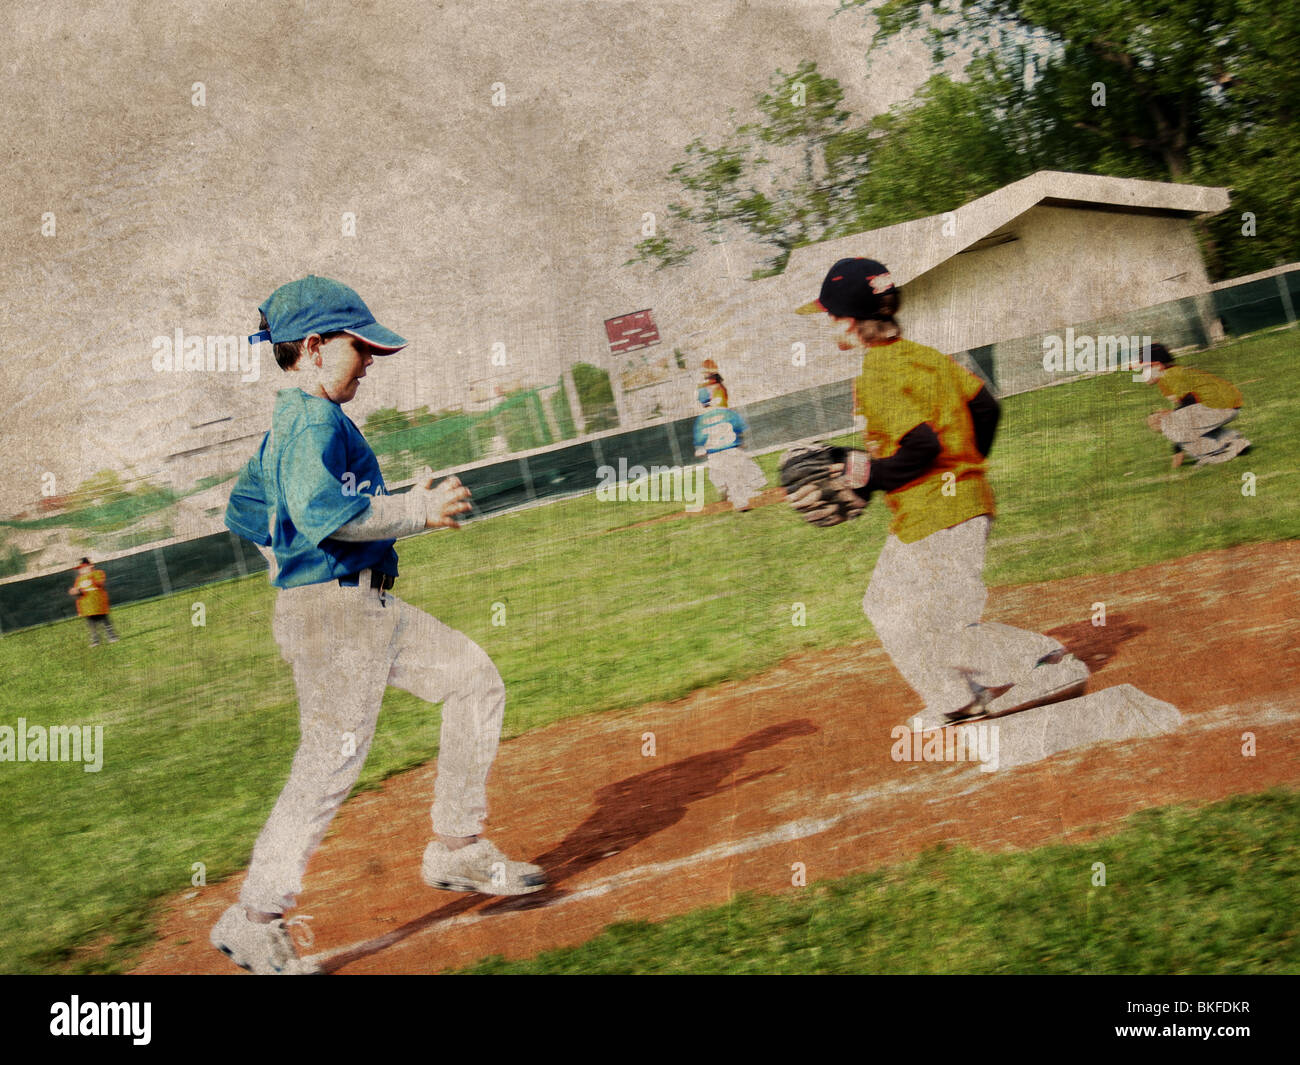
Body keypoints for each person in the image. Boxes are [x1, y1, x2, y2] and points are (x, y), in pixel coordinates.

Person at [214, 275, 544, 975]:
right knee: (328, 766)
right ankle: (253, 917)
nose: (368, 360)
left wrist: (290, 564)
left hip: (355, 606)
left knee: (473, 680)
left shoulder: (299, 422)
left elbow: (244, 511)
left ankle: (455, 848)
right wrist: (414, 513)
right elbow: (326, 515)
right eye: (357, 346)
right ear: (311, 346)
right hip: (335, 614)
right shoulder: (308, 417)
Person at [793, 257, 1089, 733]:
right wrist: (964, 471)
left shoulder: (878, 372)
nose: (828, 322)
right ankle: (957, 702)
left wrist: (866, 478)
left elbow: (922, 447)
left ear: (849, 319)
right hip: (950, 505)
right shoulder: (924, 355)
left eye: (831, 313)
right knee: (886, 607)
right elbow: (986, 409)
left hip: (936, 511)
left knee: (935, 626)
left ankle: (1044, 663)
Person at [1142, 342, 1250, 468]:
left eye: (1146, 367)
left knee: (1169, 423)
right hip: (1224, 407)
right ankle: (1232, 440)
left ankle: (1214, 453)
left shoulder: (1170, 375)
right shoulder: (1169, 375)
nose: (1143, 372)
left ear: (1158, 365)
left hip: (1222, 408)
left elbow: (1190, 403)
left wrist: (1177, 448)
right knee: (1181, 422)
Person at [693, 367, 767, 512]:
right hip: (731, 448)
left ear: (700, 402)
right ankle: (741, 499)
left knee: (722, 477)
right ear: (711, 398)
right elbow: (739, 427)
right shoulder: (726, 412)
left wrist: (700, 449)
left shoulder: (701, 420)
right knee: (741, 472)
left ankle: (735, 497)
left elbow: (700, 440)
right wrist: (741, 441)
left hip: (714, 453)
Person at [68, 558, 117, 646]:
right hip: (87, 606)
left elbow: (100, 583)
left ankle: (112, 636)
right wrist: (75, 591)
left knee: (104, 620)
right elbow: (78, 590)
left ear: (91, 566)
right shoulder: (79, 579)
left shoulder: (97, 573)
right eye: (80, 569)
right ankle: (95, 640)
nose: (82, 570)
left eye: (84, 567)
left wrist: (91, 576)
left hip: (98, 603)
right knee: (91, 624)